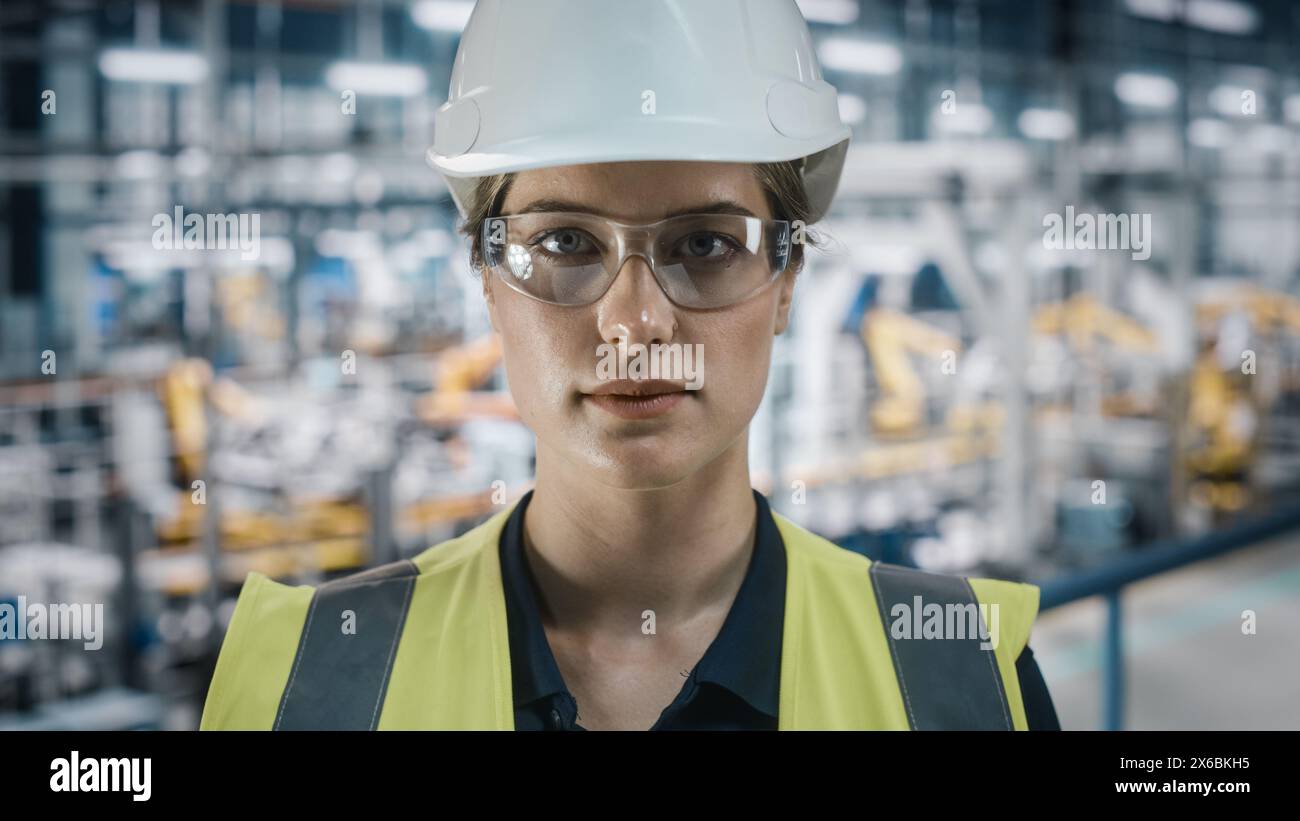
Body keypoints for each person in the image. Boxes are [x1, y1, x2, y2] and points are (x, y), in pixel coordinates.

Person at [201, 0, 1059, 731]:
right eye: (565, 242)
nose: (636, 321)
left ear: (788, 280)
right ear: (489, 283)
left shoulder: (961, 676)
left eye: (706, 243)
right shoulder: (300, 685)